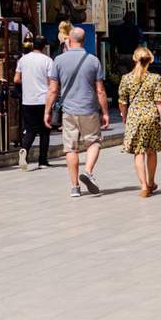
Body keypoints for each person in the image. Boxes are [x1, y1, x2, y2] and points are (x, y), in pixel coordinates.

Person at [44, 27, 109, 197]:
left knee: (70, 148)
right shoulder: (93, 60)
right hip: (89, 109)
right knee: (94, 142)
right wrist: (105, 112)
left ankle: (74, 187)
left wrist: (47, 111)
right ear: (84, 40)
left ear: (70, 40)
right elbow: (100, 90)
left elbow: (52, 90)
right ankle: (87, 171)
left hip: (68, 111)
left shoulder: (58, 60)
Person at [118, 47, 161, 197]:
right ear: (150, 60)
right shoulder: (155, 78)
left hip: (134, 117)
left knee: (138, 152)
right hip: (151, 117)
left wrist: (124, 116)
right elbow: (160, 101)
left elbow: (122, 102)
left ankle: (144, 185)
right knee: (151, 151)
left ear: (134, 59)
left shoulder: (126, 78)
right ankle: (152, 181)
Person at [14, 36, 54, 171]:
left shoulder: (23, 60)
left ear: (32, 45)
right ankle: (42, 161)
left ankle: (24, 150)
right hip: (43, 99)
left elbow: (16, 79)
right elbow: (51, 81)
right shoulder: (48, 61)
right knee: (45, 131)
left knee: (30, 129)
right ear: (44, 47)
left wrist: (28, 81)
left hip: (27, 100)